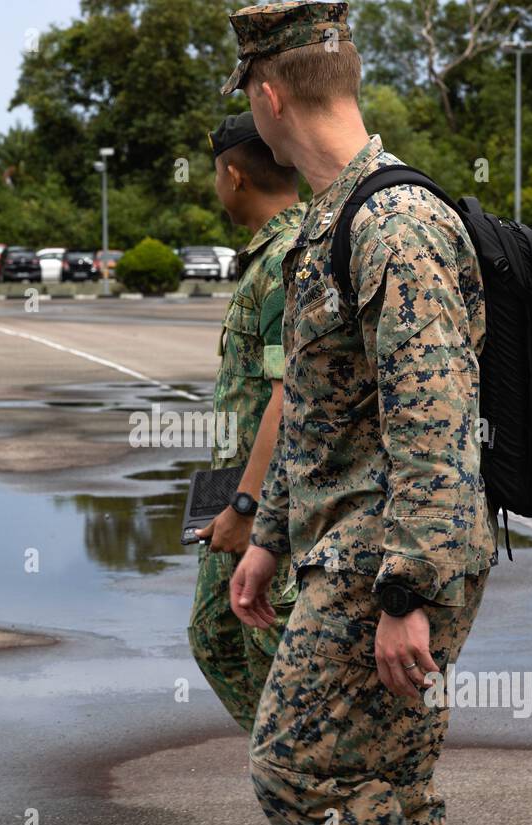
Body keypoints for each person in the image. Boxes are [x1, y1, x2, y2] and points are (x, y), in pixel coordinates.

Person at [223, 1, 497, 825]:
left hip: (383, 560)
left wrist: (405, 595)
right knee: (394, 779)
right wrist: (268, 534)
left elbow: (436, 423)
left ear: (269, 96)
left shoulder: (391, 223)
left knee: (298, 773)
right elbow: (318, 408)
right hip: (350, 549)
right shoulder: (333, 217)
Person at [188, 113, 306, 733]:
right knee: (214, 635)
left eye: (215, 173)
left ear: (233, 175)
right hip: (237, 483)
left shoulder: (288, 258)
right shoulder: (265, 258)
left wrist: (247, 503)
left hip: (268, 497)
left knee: (266, 641)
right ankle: (293, 774)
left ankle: (313, 784)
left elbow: (292, 397)